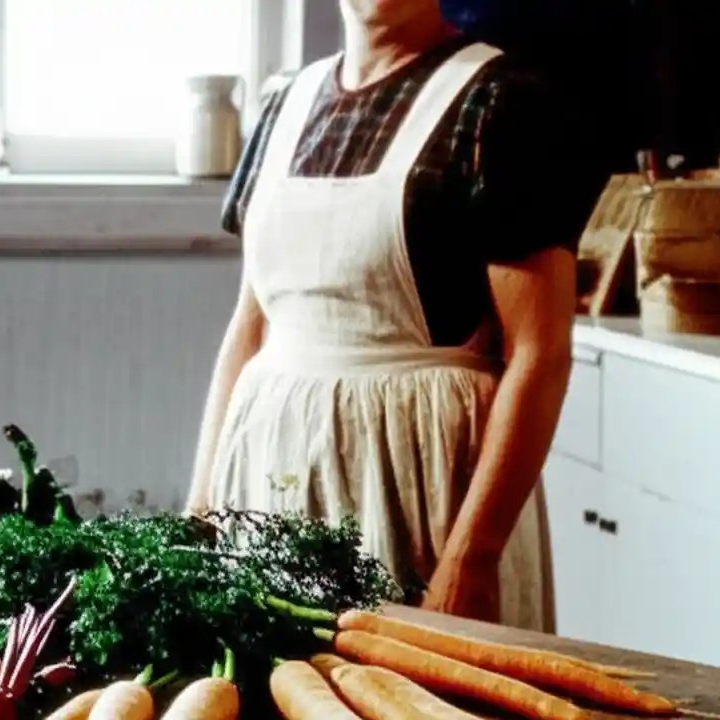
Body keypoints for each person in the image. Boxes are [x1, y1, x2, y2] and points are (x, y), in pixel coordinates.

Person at [185, 0, 610, 631]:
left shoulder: (502, 103)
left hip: (422, 488)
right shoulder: (283, 105)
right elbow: (251, 325)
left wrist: (473, 556)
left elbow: (538, 353)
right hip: (264, 479)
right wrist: (199, 510)